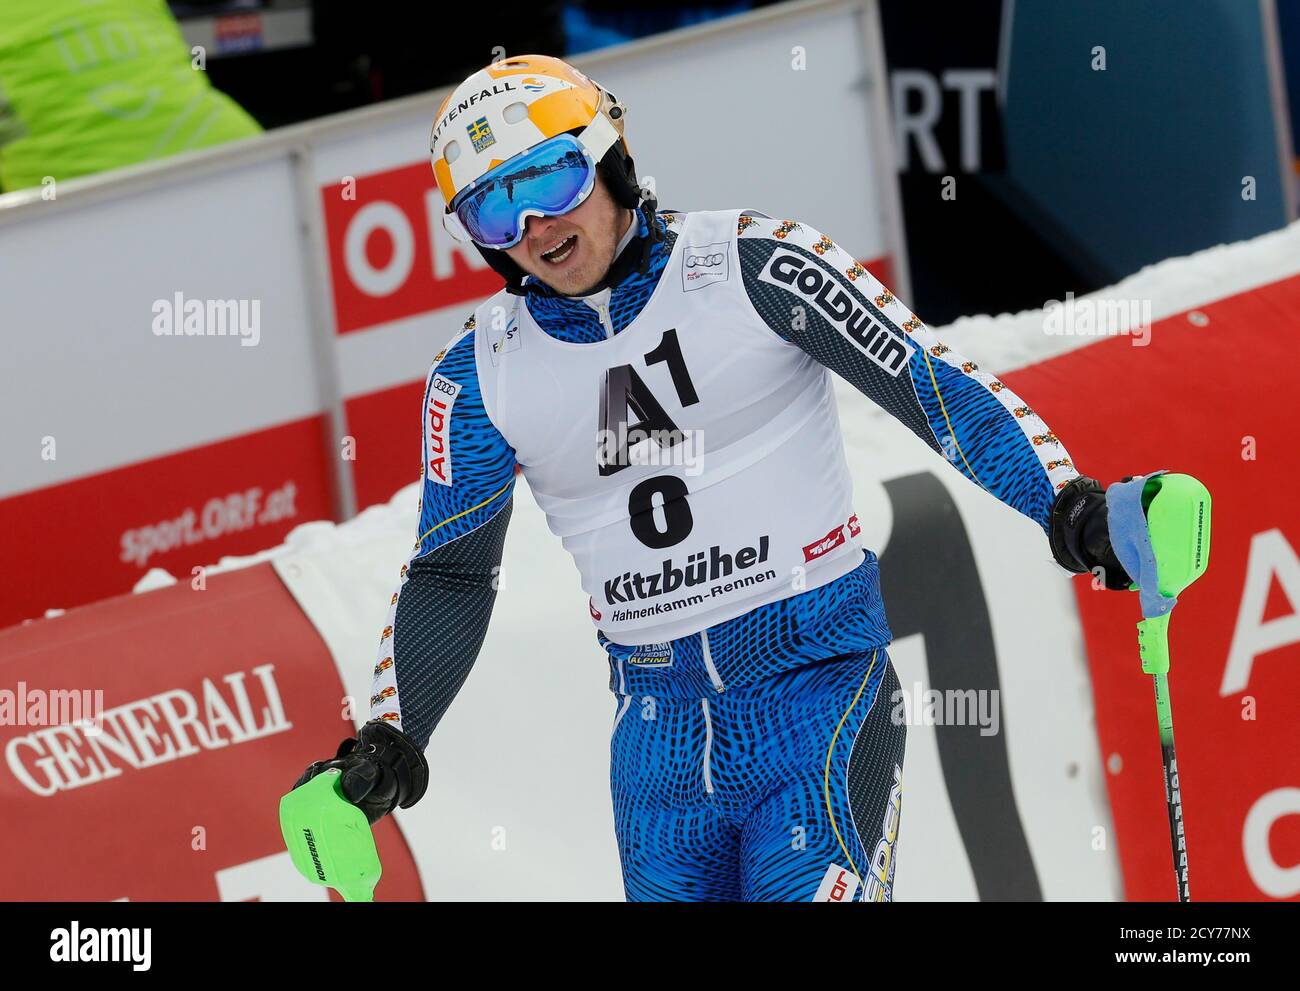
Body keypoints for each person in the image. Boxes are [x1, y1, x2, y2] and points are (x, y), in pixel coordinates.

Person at [292, 54, 1131, 902]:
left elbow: (929, 384)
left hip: (816, 695)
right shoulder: (478, 375)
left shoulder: (750, 265)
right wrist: (389, 741)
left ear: (610, 157)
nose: (536, 228)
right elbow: (452, 570)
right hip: (657, 748)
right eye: (494, 210)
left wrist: (1070, 505)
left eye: (551, 179)